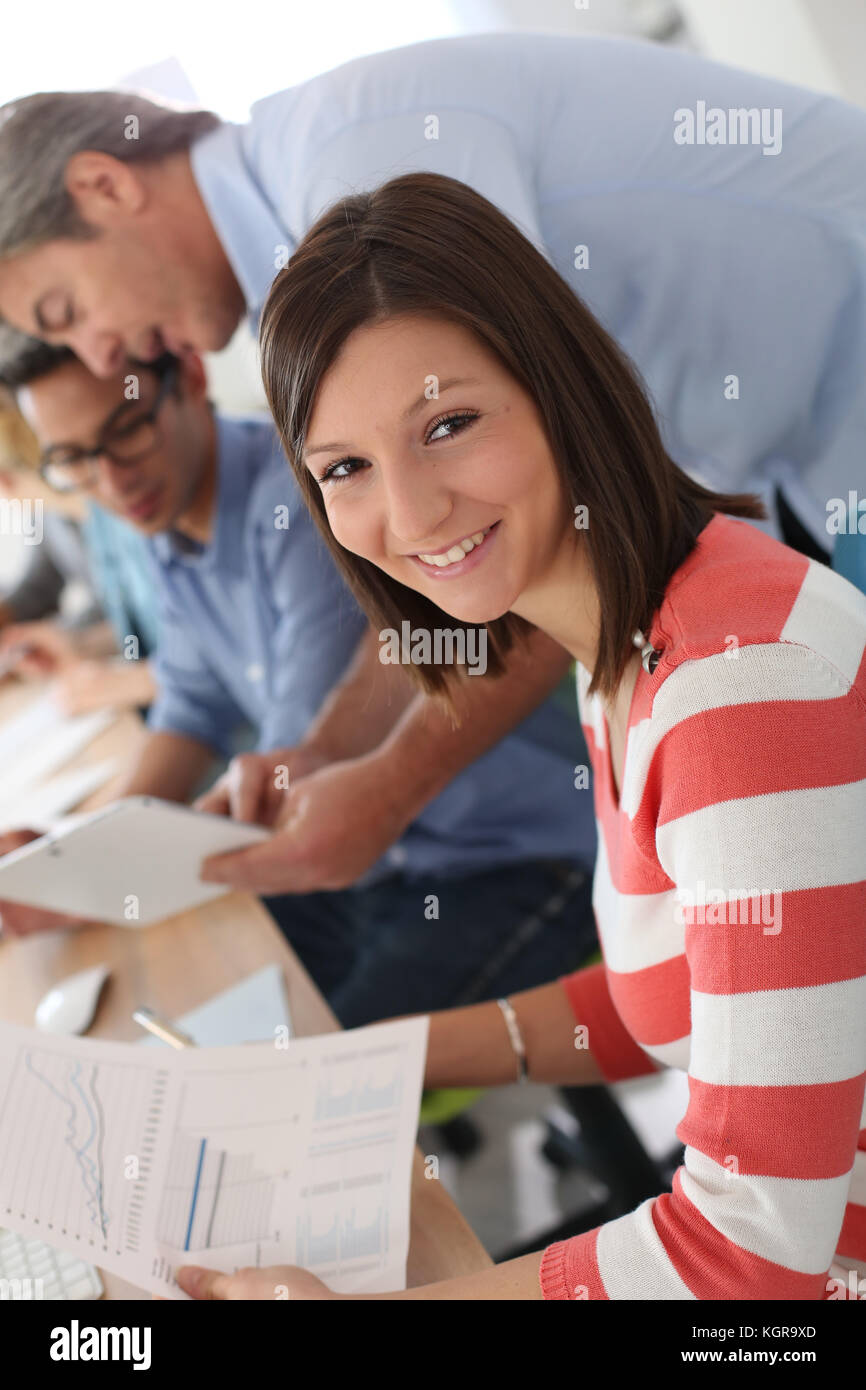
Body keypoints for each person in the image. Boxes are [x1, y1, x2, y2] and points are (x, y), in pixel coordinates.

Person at [177, 172, 866, 1301]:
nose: (408, 513)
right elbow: (668, 1004)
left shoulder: (735, 689)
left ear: (556, 384)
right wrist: (363, 1064)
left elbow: (749, 1252)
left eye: (447, 425)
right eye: (344, 468)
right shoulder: (631, 639)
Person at [0, 334, 598, 1025]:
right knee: (194, 1012)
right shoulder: (164, 529)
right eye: (76, 459)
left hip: (505, 855)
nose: (112, 479)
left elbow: (292, 768)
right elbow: (192, 711)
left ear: (192, 377)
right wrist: (73, 853)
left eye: (128, 430)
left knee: (310, 1074)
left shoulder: (294, 501)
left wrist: (89, 876)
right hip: (371, 864)